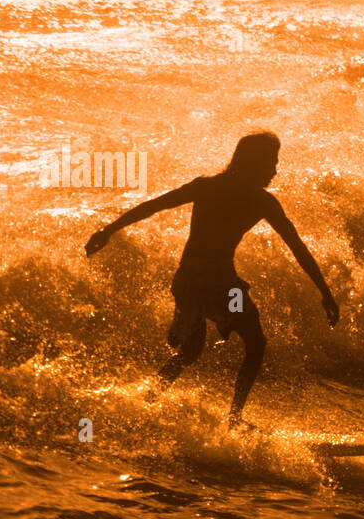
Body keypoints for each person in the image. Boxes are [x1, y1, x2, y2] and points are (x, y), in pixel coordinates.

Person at [85, 132, 340, 425]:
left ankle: (150, 400)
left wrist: (108, 231)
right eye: (271, 162)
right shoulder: (261, 200)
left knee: (190, 352)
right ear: (254, 163)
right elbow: (298, 248)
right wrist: (325, 293)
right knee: (255, 344)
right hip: (222, 287)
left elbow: (152, 206)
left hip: (187, 283)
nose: (274, 171)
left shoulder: (206, 187)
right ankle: (234, 417)